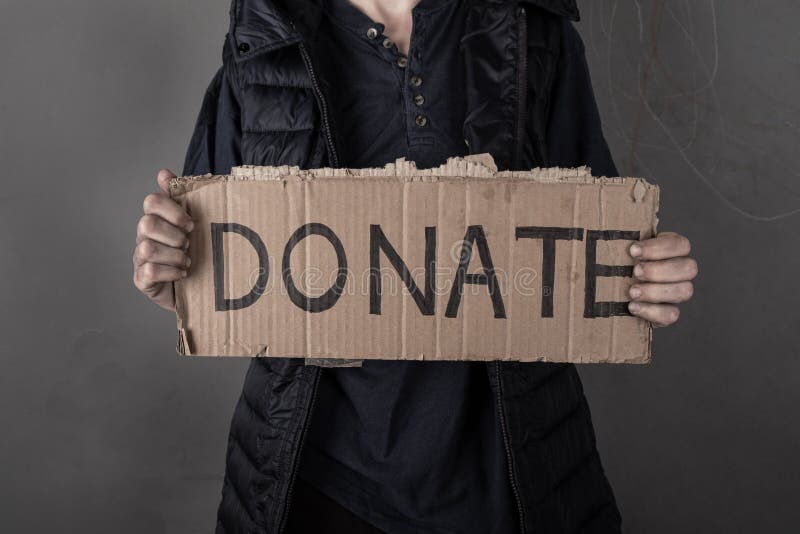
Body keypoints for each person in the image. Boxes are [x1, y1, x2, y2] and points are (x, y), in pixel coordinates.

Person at [132, 0, 699, 532]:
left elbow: (594, 254)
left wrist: (645, 278)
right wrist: (172, 280)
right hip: (311, 487)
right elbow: (208, 268)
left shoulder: (535, 32)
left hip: (513, 486)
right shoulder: (263, 42)